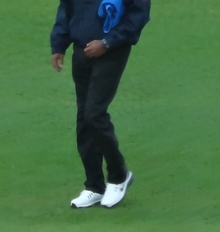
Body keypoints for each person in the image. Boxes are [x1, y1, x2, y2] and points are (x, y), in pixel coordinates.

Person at [50, 0, 151, 209]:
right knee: (83, 118)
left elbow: (137, 16)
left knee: (94, 113)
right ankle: (94, 186)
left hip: (112, 51)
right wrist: (59, 43)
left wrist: (106, 43)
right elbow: (67, 8)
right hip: (82, 50)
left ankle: (118, 176)